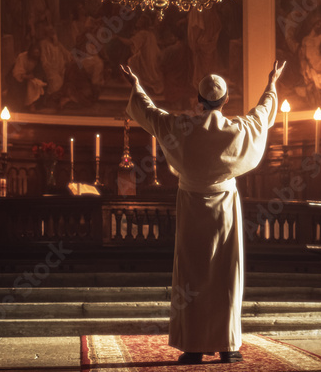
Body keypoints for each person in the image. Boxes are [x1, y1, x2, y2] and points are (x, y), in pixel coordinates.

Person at [121, 59, 285, 364]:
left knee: (192, 273)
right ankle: (228, 346)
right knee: (225, 273)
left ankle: (193, 347)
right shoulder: (238, 128)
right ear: (225, 101)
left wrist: (136, 86)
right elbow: (262, 115)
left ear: (198, 100)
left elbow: (152, 115)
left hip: (192, 206)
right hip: (224, 207)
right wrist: (271, 83)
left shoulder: (181, 128)